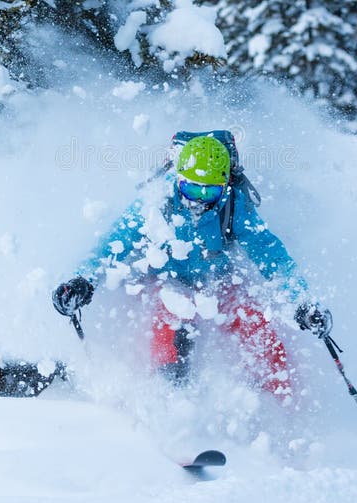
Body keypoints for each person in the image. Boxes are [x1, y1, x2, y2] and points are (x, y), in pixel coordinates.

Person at [52, 132, 332, 398]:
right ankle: (169, 410)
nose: (196, 200)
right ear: (178, 179)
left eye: (207, 192)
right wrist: (83, 280)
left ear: (223, 187)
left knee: (259, 333)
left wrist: (303, 302)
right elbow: (116, 241)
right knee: (167, 333)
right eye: (189, 187)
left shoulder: (235, 207)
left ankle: (283, 411)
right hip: (170, 284)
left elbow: (271, 255)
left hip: (221, 283)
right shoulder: (157, 199)